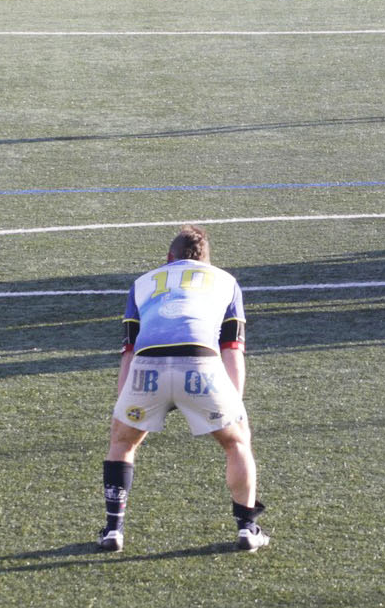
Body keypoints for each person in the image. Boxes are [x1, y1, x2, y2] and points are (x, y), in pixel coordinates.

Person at [99, 225, 268, 553]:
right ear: (206, 260)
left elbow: (129, 350)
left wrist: (124, 401)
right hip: (201, 364)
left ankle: (112, 531)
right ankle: (247, 528)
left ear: (168, 258)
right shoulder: (226, 282)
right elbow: (232, 348)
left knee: (122, 442)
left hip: (147, 367)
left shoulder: (142, 283)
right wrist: (233, 403)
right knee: (236, 443)